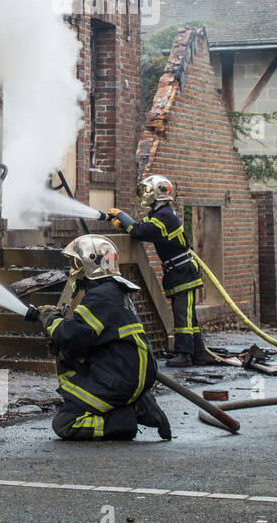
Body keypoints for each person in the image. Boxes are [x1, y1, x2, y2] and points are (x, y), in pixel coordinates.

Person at [35, 234, 171, 441]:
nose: (73, 270)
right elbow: (84, 335)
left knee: (66, 424)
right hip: (124, 372)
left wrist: (50, 319)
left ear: (90, 264)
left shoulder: (102, 295)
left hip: (118, 378)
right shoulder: (110, 291)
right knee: (64, 350)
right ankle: (134, 403)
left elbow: (71, 336)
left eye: (77, 263)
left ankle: (129, 416)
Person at [104, 175, 206, 367]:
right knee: (187, 314)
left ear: (157, 193)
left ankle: (184, 355)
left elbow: (140, 231)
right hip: (178, 271)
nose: (144, 194)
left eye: (147, 190)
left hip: (182, 271)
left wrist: (122, 216)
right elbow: (141, 227)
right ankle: (198, 353)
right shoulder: (160, 213)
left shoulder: (165, 216)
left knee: (183, 315)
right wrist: (125, 226)